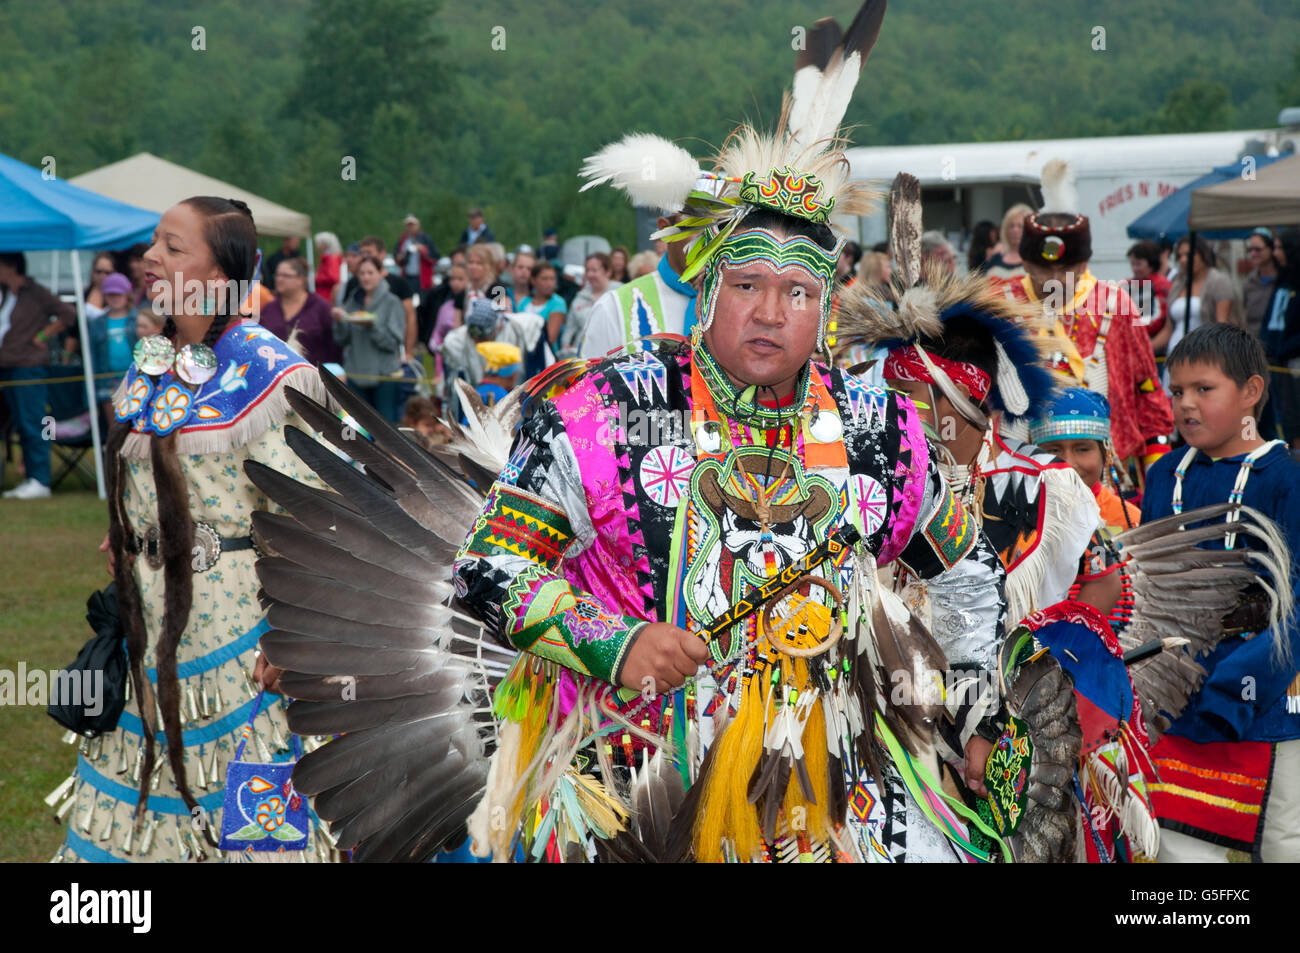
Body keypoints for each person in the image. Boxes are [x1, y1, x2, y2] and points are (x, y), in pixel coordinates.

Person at [455, 24, 1017, 862]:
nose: (769, 311)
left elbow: (969, 572)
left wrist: (974, 709)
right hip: (639, 791)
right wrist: (616, 642)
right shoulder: (609, 407)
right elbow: (492, 565)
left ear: (825, 305)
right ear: (709, 288)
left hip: (836, 790)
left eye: (797, 290)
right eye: (748, 283)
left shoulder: (882, 431)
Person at [50, 196, 338, 863]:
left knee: (252, 830)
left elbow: (316, 518)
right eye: (154, 243)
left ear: (222, 271)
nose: (150, 257)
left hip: (240, 646)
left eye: (173, 247)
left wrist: (300, 638)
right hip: (148, 632)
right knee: (133, 824)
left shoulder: (270, 372)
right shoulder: (153, 362)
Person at [1142, 323, 1300, 862]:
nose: (1186, 404)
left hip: (1270, 692)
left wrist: (1239, 687)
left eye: (1203, 390)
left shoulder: (1285, 479)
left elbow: (1296, 603)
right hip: (1178, 692)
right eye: (1177, 391)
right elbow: (1150, 585)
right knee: (1177, 842)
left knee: (1282, 837)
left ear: (1251, 392)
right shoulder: (1164, 475)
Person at [1000, 159, 1174, 474]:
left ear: (1084, 264)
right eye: (1044, 269)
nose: (1055, 278)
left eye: (1066, 269)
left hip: (1104, 473)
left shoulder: (1116, 304)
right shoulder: (1000, 305)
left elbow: (1148, 393)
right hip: (1018, 472)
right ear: (1024, 262)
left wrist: (1157, 474)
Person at [0, 252, 75, 499]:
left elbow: (68, 314)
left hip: (28, 367)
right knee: (21, 424)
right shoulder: (7, 294)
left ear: (11, 267)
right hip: (8, 366)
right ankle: (30, 476)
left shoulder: (35, 292)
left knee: (36, 422)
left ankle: (40, 479)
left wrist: (44, 335)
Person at [332, 255, 405, 422]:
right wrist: (340, 322)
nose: (365, 277)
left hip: (384, 376)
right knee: (356, 428)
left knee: (386, 430)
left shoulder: (393, 303)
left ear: (381, 273)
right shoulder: (352, 301)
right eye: (362, 273)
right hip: (356, 375)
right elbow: (342, 340)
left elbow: (393, 343)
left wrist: (372, 326)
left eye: (370, 272)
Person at [1152, 235, 1242, 365]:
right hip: (1175, 355)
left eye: (1189, 255)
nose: (1183, 260)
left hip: (1205, 357)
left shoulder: (1218, 281)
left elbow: (1222, 324)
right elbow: (1168, 329)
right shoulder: (1178, 283)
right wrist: (1146, 347)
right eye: (1180, 256)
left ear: (1202, 254)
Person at [440, 297, 531, 417]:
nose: (478, 341)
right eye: (474, 338)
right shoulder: (454, 341)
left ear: (496, 328)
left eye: (483, 338)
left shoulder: (514, 331)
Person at [260, 256, 341, 367]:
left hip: (313, 377)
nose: (279, 279)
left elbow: (335, 346)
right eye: (277, 275)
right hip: (276, 376)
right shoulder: (269, 309)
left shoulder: (321, 308)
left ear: (301, 280)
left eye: (285, 275)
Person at [344, 237, 416, 358]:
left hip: (388, 350)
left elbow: (410, 318)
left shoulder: (399, 284)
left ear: (382, 254)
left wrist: (408, 352)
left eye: (369, 252)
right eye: (362, 253)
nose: (365, 257)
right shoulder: (354, 284)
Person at [1260, 229, 1300, 445]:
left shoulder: (1149, 285)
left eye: (1279, 247)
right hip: (1275, 361)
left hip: (1292, 362)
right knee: (1286, 420)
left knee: (1295, 418)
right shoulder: (1281, 281)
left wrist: (1284, 348)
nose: (1275, 253)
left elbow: (1143, 321)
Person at [86, 272, 138, 420]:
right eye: (110, 295)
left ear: (127, 294)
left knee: (136, 422)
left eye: (118, 294)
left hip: (135, 378)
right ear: (104, 296)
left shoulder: (138, 318)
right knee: (115, 425)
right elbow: (92, 355)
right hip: (107, 381)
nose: (114, 298)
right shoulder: (97, 323)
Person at [563, 253, 621, 360]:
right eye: (587, 270)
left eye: (594, 270)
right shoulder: (579, 298)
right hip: (585, 359)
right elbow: (569, 329)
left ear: (608, 272)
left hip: (616, 356)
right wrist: (566, 345)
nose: (589, 275)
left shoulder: (620, 293)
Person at [421, 261, 467, 382]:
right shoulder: (444, 303)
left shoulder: (471, 300)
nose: (455, 283)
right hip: (446, 354)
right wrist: (434, 343)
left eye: (460, 279)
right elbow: (438, 330)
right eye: (452, 279)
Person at [519, 259, 567, 356]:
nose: (549, 283)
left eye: (552, 279)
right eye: (544, 279)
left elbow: (550, 339)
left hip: (546, 358)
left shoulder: (557, 302)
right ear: (533, 280)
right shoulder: (524, 302)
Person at [1127, 239, 1170, 343]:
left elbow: (1159, 318)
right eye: (1133, 264)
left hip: (1152, 340)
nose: (1135, 268)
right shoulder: (1128, 284)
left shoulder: (1160, 284)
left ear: (1151, 264)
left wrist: (1134, 329)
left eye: (1139, 264)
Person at [1243, 228, 1279, 338]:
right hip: (1254, 345)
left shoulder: (1284, 280)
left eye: (1258, 249)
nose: (1253, 254)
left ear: (1271, 249)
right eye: (1250, 249)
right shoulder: (1249, 282)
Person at [983, 203, 1032, 281]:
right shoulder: (996, 257)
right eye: (1011, 226)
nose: (1015, 230)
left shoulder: (1035, 259)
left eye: (1020, 226)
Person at [395, 214, 437, 291]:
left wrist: (424, 251)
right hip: (407, 276)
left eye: (412, 225)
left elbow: (435, 258)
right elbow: (397, 257)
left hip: (422, 279)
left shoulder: (425, 238)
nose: (410, 228)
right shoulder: (403, 240)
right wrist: (399, 258)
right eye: (408, 225)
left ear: (418, 225)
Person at [313, 231, 343, 304]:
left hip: (326, 296)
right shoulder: (326, 258)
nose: (317, 246)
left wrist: (316, 278)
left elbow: (334, 278)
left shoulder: (331, 259)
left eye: (318, 244)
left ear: (324, 245)